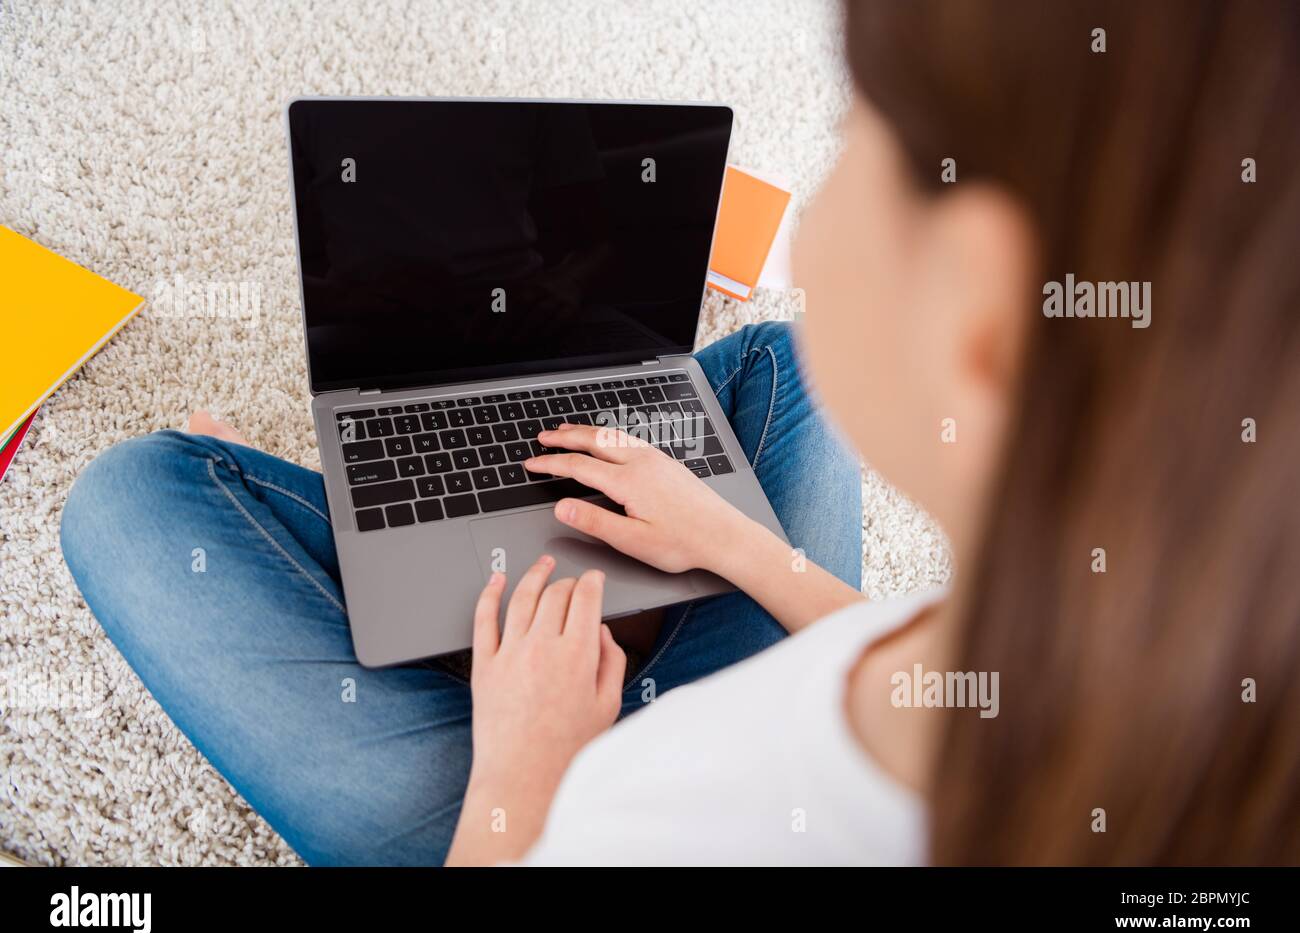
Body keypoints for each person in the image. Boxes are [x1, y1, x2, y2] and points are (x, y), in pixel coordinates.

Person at [60, 0, 1299, 865]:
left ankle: (365, 561)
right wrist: (736, 544)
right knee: (766, 360)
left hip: (527, 805)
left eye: (858, 137)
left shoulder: (651, 823)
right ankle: (419, 545)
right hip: (749, 693)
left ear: (977, 327)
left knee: (129, 500)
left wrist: (521, 770)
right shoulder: (1105, 670)